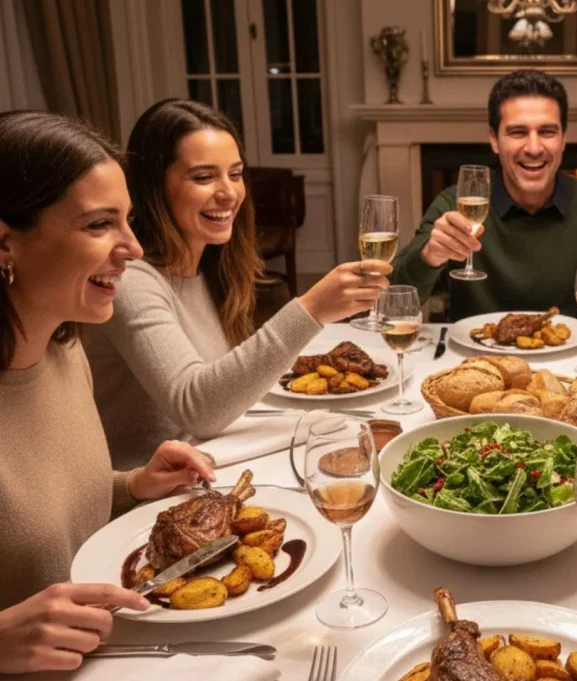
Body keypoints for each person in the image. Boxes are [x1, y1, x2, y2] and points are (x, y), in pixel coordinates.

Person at [0, 111, 216, 673]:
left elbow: (37, 513)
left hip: (114, 660)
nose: (135, 248)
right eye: (100, 225)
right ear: (5, 245)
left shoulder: (64, 351)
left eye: (129, 221)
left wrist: (132, 485)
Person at [85, 99, 391, 469]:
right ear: (154, 188)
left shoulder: (212, 268)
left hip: (213, 466)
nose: (229, 192)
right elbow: (198, 408)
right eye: (203, 177)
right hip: (151, 497)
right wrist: (310, 310)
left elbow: (224, 389)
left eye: (235, 173)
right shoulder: (131, 280)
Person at [392, 69, 577, 321]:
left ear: (563, 139)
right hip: (474, 358)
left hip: (571, 357)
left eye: (547, 132)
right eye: (518, 132)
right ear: (494, 140)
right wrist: (428, 256)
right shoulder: (453, 204)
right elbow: (395, 300)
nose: (533, 148)